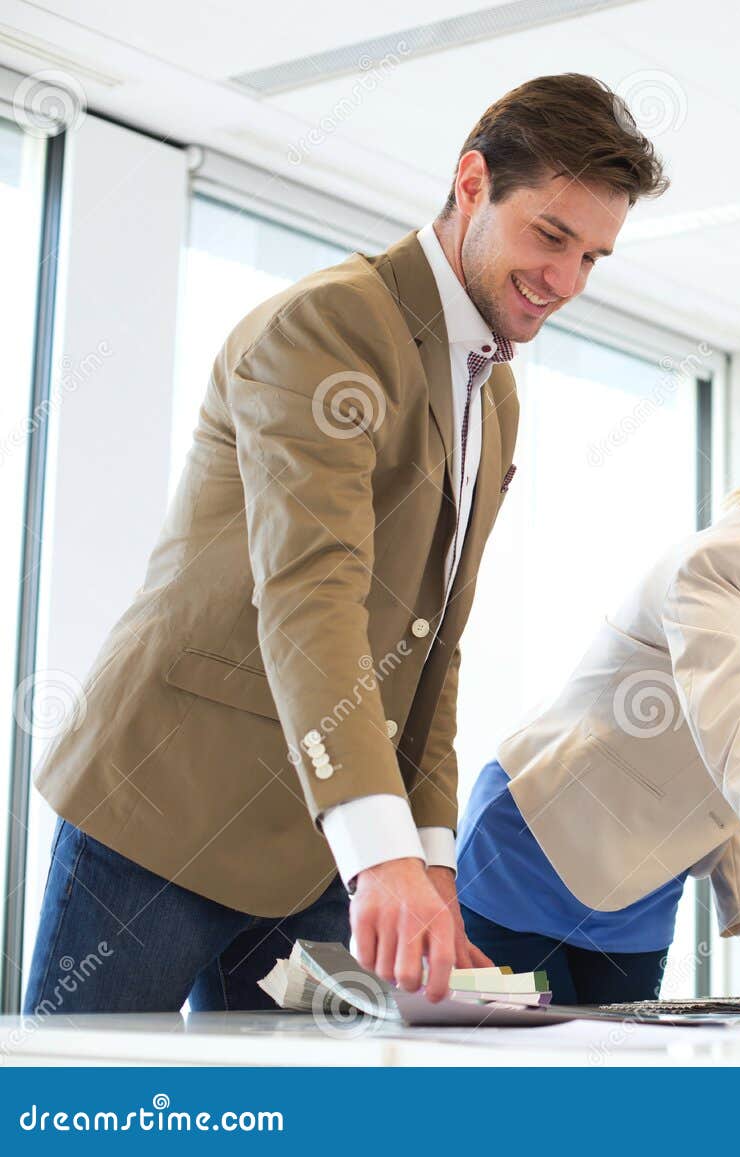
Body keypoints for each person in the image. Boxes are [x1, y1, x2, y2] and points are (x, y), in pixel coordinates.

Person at [25, 74, 667, 1013]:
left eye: (593, 258)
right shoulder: (327, 326)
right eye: (551, 237)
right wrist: (384, 855)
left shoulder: (497, 392)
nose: (565, 282)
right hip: (172, 805)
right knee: (86, 1112)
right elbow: (310, 594)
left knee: (295, 1116)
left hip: (329, 842)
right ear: (472, 183)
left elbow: (434, 646)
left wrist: (433, 859)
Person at [463, 337, 740, 1021]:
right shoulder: (721, 563)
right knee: (518, 1084)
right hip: (532, 843)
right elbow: (738, 736)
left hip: (643, 878)